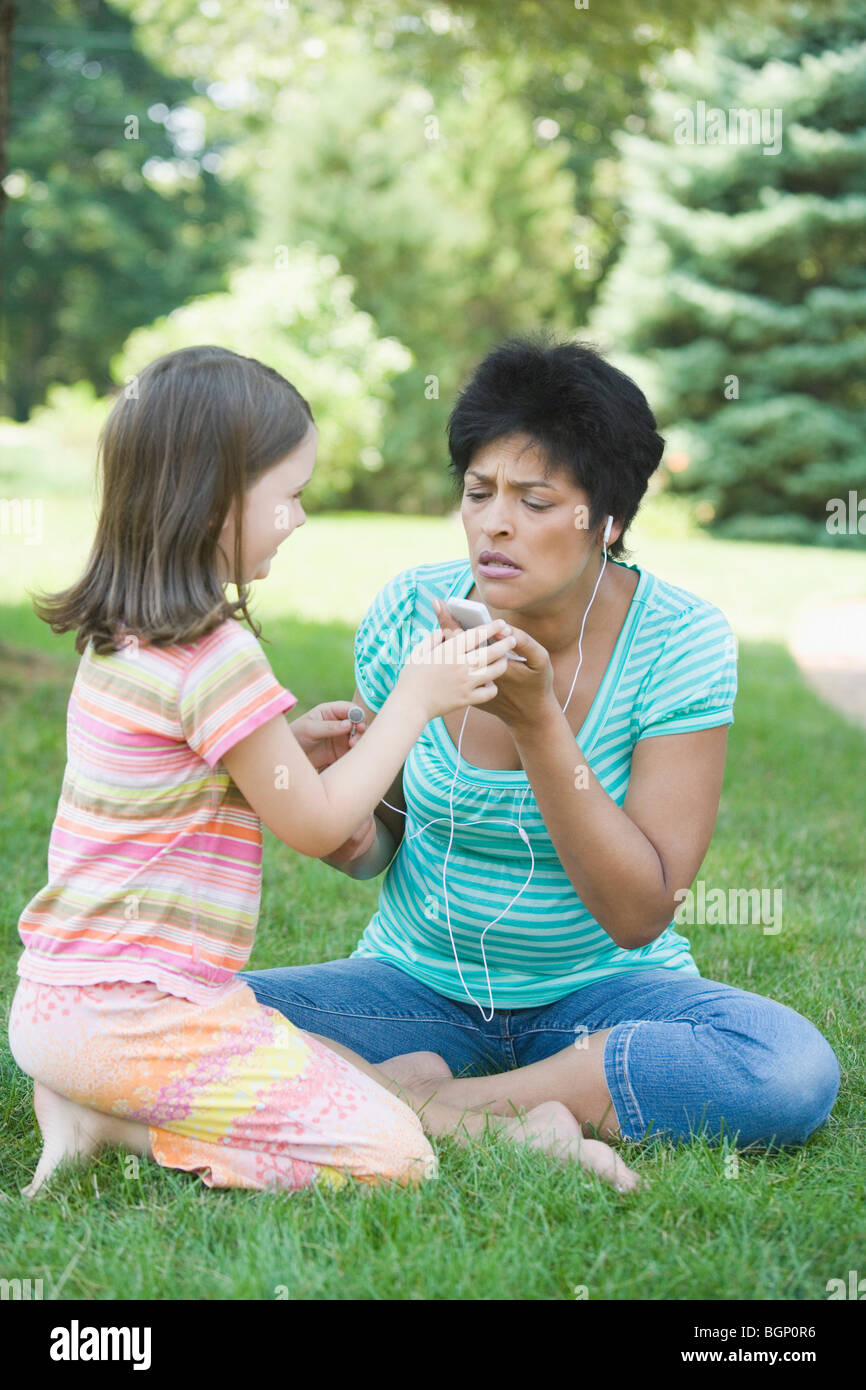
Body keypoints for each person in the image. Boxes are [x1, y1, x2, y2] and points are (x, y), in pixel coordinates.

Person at [9, 344, 644, 1199]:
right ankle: (117, 1120)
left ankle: (92, 1093)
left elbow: (168, 794)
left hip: (63, 1001)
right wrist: (417, 698)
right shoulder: (217, 652)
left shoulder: (124, 638)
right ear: (213, 501)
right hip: (147, 1017)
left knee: (336, 1073)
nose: (301, 518)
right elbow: (315, 823)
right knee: (393, 1158)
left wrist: (280, 751)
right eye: (290, 495)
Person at [243, 335, 842, 1153]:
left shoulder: (680, 639)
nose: (495, 523)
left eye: (534, 500)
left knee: (786, 1070)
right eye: (479, 491)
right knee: (157, 1013)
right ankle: (477, 1109)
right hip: (412, 992)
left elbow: (640, 912)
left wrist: (539, 726)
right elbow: (376, 842)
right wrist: (342, 817)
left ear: (610, 519)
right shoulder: (408, 611)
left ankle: (425, 1107)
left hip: (606, 999)